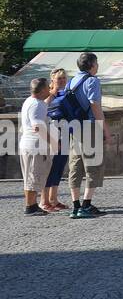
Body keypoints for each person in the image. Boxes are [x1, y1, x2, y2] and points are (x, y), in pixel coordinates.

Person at [66, 52, 108, 218]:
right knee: (93, 165)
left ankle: (75, 206)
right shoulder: (92, 81)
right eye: (96, 63)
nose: (97, 66)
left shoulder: (71, 81)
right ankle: (86, 205)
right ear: (91, 65)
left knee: (75, 165)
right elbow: (95, 105)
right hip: (89, 127)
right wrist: (104, 128)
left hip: (74, 127)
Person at [18, 78, 54, 216]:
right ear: (43, 89)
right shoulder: (38, 105)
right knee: (33, 177)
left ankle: (32, 205)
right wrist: (52, 142)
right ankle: (30, 207)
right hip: (35, 146)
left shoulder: (29, 101)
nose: (50, 89)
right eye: (48, 87)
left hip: (29, 145)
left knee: (31, 176)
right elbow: (37, 127)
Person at [42, 69, 71, 211]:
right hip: (52, 133)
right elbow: (42, 109)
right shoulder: (47, 94)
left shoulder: (67, 94)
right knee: (50, 167)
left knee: (59, 166)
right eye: (59, 78)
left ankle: (53, 198)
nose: (62, 80)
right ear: (52, 80)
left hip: (64, 132)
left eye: (64, 78)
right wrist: (52, 94)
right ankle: (44, 200)